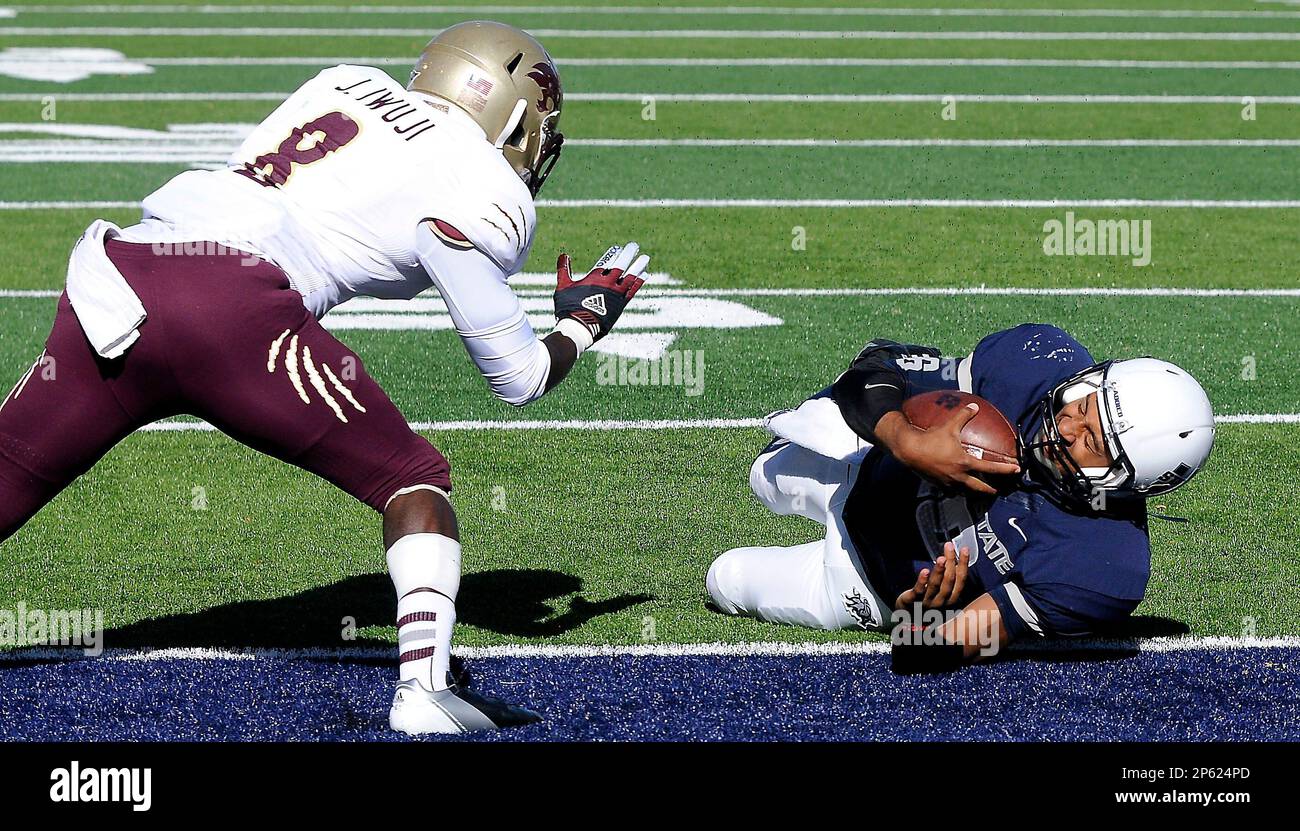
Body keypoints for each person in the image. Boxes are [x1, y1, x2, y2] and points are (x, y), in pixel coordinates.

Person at [0, 21, 650, 733]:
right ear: (514, 115)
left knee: (10, 475)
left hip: (121, 271)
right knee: (414, 477)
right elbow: (518, 375)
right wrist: (586, 321)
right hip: (232, 311)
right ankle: (426, 693)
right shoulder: (485, 184)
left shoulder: (348, 82)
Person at [707, 324, 1215, 669]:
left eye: (1093, 442)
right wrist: (909, 440)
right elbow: (875, 363)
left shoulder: (1103, 566)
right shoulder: (1038, 362)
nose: (1067, 425)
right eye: (1086, 404)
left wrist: (921, 617)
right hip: (870, 467)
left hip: (869, 580)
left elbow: (930, 650)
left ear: (1127, 484)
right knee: (766, 471)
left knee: (724, 579)